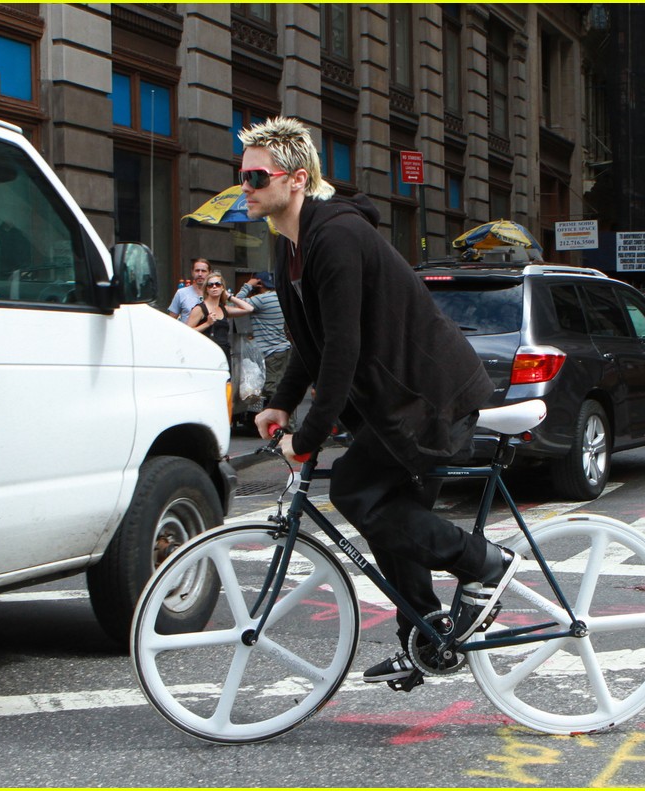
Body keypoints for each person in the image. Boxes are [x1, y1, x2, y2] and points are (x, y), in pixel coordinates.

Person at [240, 116, 517, 687]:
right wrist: (282, 403)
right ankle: (428, 636)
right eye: (243, 176)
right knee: (388, 515)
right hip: (392, 405)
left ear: (296, 179)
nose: (245, 187)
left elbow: (343, 348)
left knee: (355, 490)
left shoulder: (336, 237)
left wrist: (308, 437)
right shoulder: (289, 249)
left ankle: (484, 563)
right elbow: (310, 343)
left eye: (256, 177)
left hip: (427, 397)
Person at [235, 271, 292, 404]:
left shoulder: (261, 299)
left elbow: (237, 301)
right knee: (280, 386)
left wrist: (248, 285)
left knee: (271, 389)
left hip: (271, 351)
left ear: (259, 284)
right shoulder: (279, 297)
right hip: (282, 348)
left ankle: (280, 415)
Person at [187, 274, 254, 358]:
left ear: (222, 288)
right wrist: (207, 324)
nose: (214, 287)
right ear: (206, 289)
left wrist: (229, 297)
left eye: (218, 284)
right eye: (210, 285)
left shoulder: (224, 309)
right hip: (206, 354)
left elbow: (249, 309)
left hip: (224, 353)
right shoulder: (199, 309)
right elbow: (186, 332)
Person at [168, 258, 211, 323]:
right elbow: (171, 320)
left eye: (203, 271)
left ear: (210, 273)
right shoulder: (181, 293)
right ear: (192, 272)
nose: (200, 274)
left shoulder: (214, 294)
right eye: (197, 270)